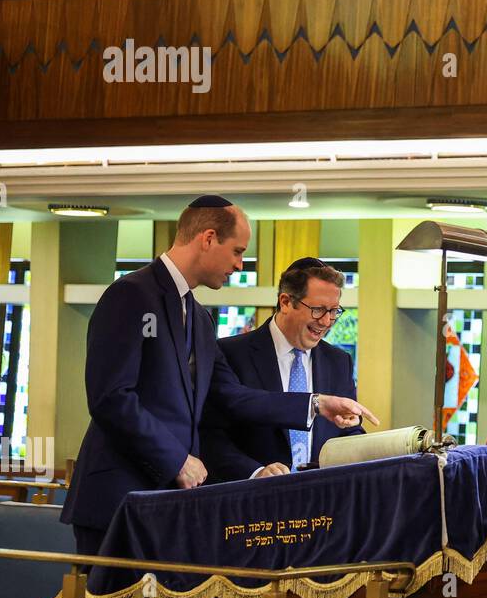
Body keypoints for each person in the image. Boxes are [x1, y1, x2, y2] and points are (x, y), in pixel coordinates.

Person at [60, 196, 378, 555]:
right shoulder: (131, 295)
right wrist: (177, 460)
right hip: (119, 496)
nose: (239, 265)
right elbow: (111, 398)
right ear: (208, 239)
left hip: (168, 501)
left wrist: (317, 403)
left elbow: (231, 396)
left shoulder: (199, 316)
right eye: (237, 251)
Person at [202, 258, 363, 481]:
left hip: (322, 502)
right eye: (318, 310)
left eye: (334, 311)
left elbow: (346, 433)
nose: (327, 321)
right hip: (251, 500)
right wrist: (255, 472)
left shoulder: (339, 362)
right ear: (286, 302)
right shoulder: (230, 353)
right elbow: (210, 436)